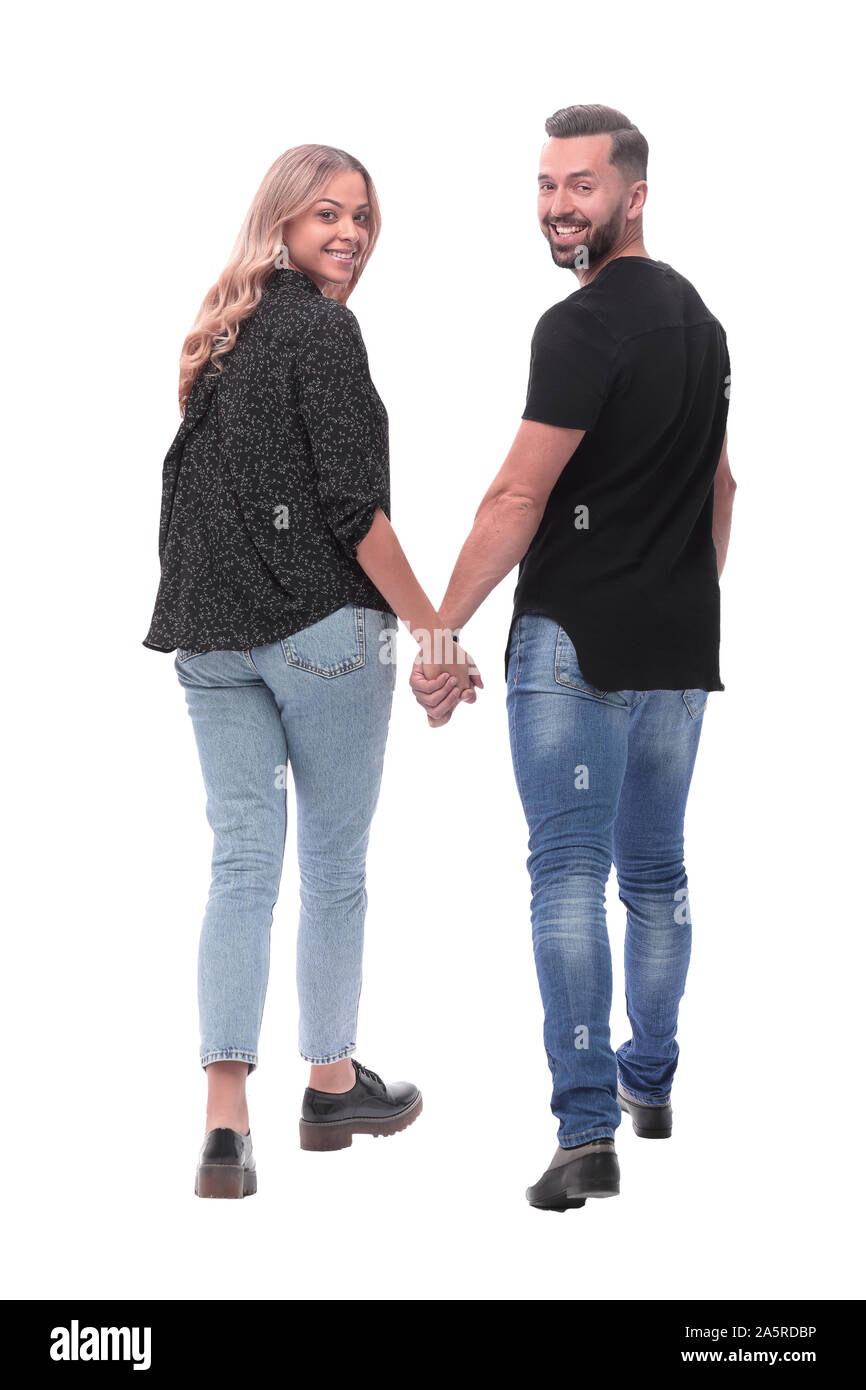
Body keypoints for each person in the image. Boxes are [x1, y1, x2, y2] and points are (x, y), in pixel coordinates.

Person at [410, 103, 736, 1211]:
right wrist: (682, 600)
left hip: (573, 646)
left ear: (632, 195)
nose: (557, 207)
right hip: (678, 649)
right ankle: (650, 1086)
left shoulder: (582, 324)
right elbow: (721, 490)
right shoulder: (699, 321)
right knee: (655, 874)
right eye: (546, 186)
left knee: (568, 878)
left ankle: (585, 1129)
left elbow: (515, 494)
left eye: (580, 187)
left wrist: (440, 626)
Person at [143, 144, 480, 1198]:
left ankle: (224, 1125)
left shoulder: (221, 338)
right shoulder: (323, 330)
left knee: (242, 865)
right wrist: (431, 628)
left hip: (209, 638)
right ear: (279, 222)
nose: (350, 233)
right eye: (327, 213)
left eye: (364, 217)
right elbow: (352, 511)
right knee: (331, 866)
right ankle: (330, 1082)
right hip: (320, 634)